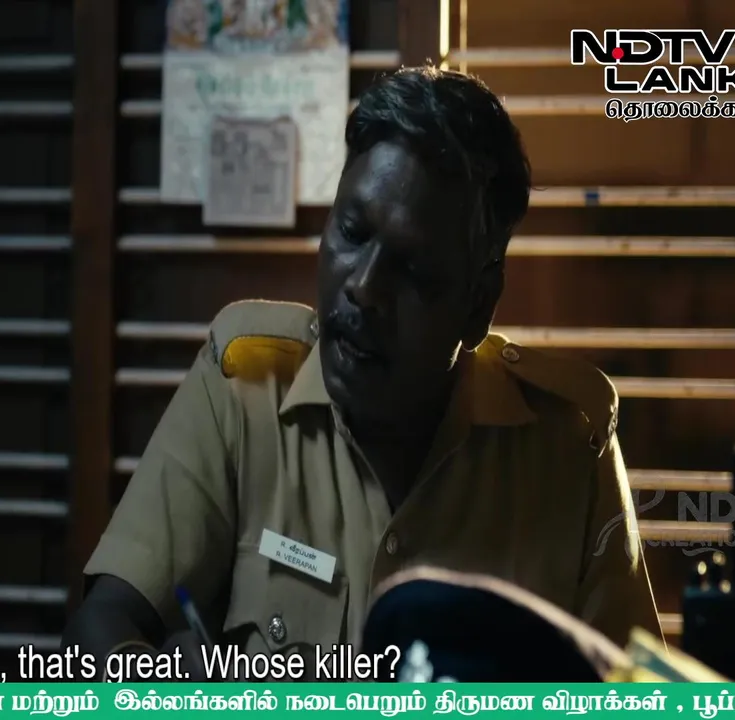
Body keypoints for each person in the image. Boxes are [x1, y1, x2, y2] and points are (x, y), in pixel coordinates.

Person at [61, 65, 663, 680]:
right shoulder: (245, 385)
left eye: (413, 270)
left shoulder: (568, 443)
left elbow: (640, 698)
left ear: (479, 305)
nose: (364, 288)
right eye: (352, 232)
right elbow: (101, 625)